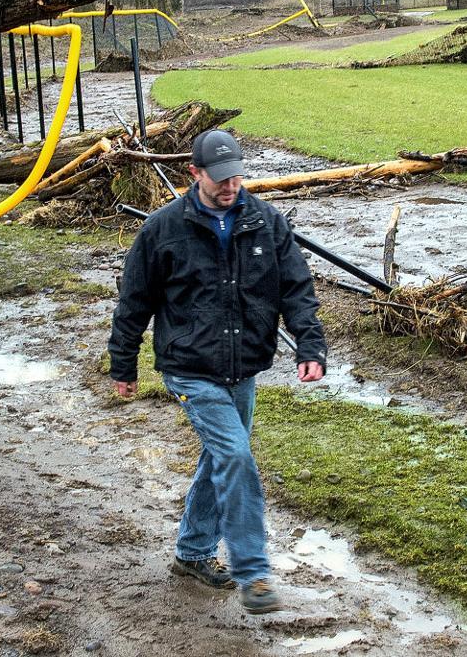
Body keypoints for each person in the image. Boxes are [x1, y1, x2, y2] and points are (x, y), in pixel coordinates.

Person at [107, 129, 327, 615]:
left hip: (243, 365)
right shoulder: (163, 230)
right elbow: (134, 302)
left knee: (221, 458)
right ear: (196, 173)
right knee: (234, 455)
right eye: (220, 178)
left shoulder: (266, 222)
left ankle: (191, 553)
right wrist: (123, 364)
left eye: (236, 177)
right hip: (189, 368)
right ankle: (254, 572)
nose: (230, 187)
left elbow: (296, 289)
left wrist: (310, 345)